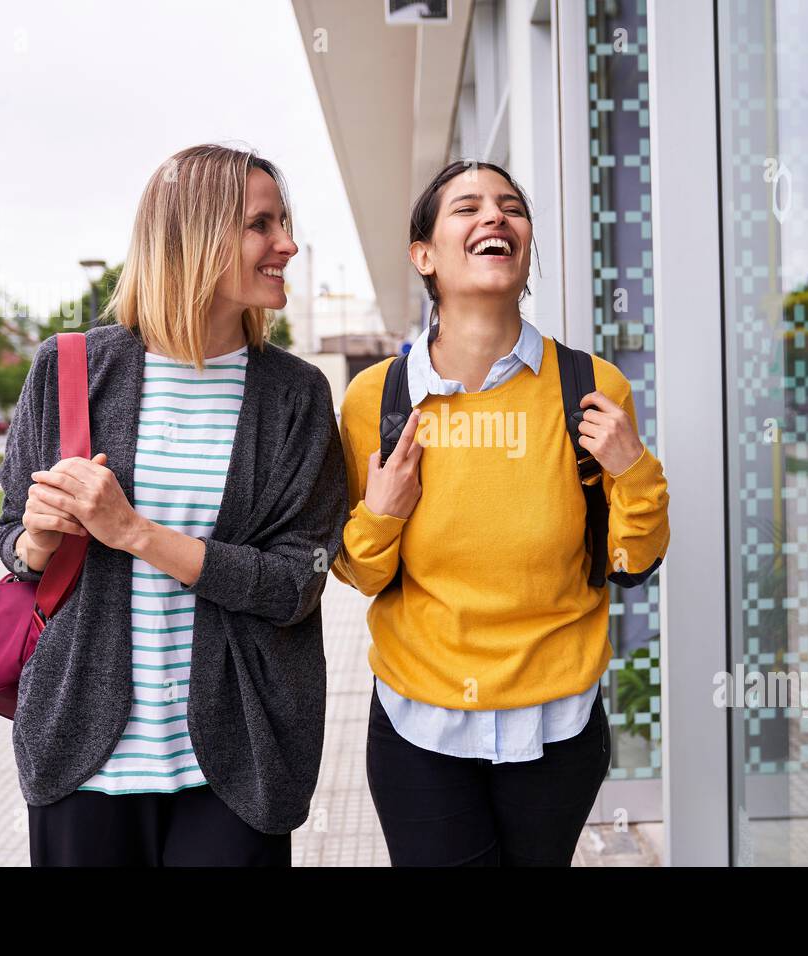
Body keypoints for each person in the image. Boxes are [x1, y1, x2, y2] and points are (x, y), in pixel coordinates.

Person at [0, 143, 347, 866]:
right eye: (262, 224)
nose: (287, 243)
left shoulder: (294, 395)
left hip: (234, 763)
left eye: (284, 222)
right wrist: (35, 537)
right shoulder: (69, 369)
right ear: (191, 235)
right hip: (80, 753)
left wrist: (135, 532)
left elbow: (295, 583)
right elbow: (15, 548)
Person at [332, 160, 671, 866]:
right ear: (423, 256)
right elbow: (361, 572)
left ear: (524, 247)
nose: (494, 216)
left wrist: (632, 469)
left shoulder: (590, 385)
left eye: (510, 207)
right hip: (417, 724)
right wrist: (384, 514)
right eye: (467, 207)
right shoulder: (378, 398)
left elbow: (632, 561)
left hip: (558, 723)